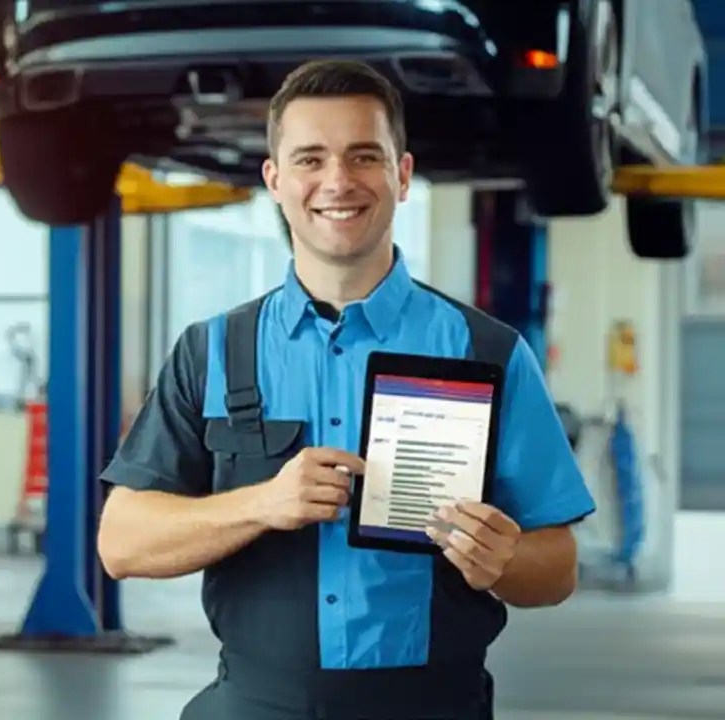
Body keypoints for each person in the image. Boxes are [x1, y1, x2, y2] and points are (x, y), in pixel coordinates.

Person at [96, 59, 596, 720]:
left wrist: (504, 560)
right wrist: (261, 504)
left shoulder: (487, 351)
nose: (337, 181)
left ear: (403, 175)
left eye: (365, 156)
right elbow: (122, 543)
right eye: (310, 159)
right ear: (275, 180)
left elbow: (558, 568)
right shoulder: (212, 351)